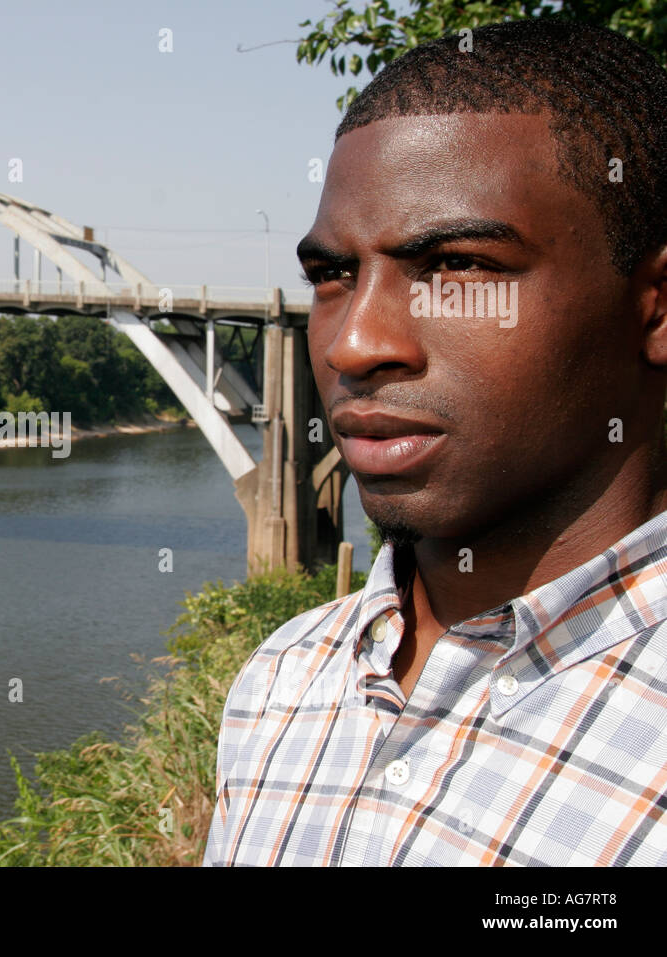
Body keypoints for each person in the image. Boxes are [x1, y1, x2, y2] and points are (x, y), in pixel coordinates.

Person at [203, 17, 667, 866]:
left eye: (457, 265)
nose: (353, 345)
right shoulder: (279, 683)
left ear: (657, 306)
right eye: (332, 275)